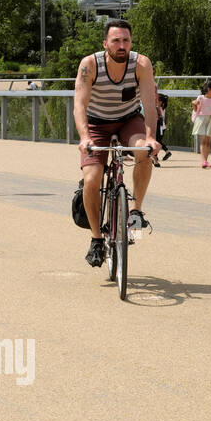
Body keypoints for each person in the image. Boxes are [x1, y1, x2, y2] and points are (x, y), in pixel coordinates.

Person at [73, 20, 158, 268]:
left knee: (143, 151)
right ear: (105, 43)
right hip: (96, 124)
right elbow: (79, 104)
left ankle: (136, 211)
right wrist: (84, 137)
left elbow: (150, 104)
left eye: (126, 41)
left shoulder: (141, 64)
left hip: (128, 120)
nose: (122, 46)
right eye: (116, 41)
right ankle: (96, 239)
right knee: (92, 180)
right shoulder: (90, 65)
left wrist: (152, 138)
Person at [191, 80, 211, 168]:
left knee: (208, 142)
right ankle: (203, 161)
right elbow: (196, 109)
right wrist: (194, 104)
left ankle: (206, 161)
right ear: (209, 89)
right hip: (201, 119)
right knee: (203, 141)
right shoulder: (200, 97)